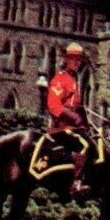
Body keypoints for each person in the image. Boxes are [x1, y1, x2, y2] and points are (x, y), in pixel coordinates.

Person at [46, 42, 90, 197]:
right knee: (84, 145)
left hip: (74, 127)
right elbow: (53, 105)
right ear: (66, 60)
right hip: (61, 128)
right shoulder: (60, 79)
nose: (77, 62)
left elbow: (75, 107)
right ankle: (75, 183)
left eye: (79, 59)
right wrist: (73, 117)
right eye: (73, 59)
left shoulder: (73, 81)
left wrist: (83, 120)